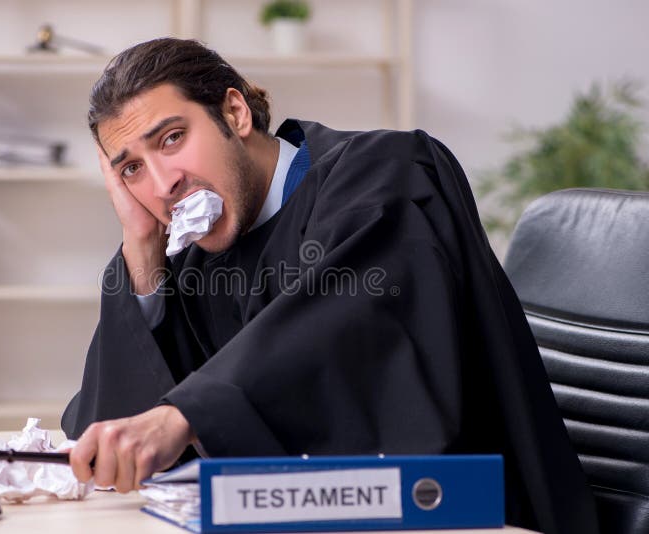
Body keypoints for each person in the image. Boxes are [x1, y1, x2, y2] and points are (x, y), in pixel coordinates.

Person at [62, 38, 599, 534]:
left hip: (464, 518)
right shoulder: (195, 258)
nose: (163, 184)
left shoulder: (387, 175)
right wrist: (141, 247)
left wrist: (188, 414)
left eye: (172, 138)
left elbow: (346, 329)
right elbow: (114, 438)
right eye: (131, 169)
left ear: (235, 112)